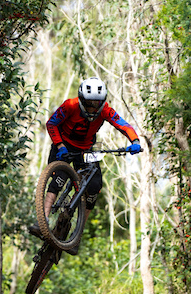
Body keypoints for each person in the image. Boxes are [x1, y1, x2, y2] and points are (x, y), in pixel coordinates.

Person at [28, 77, 142, 254]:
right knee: (59, 180)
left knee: (94, 188)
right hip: (63, 146)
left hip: (86, 150)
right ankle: (42, 220)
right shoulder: (70, 106)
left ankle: (76, 237)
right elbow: (51, 123)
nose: (92, 108)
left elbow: (123, 124)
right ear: (81, 98)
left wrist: (134, 140)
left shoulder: (105, 111)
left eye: (97, 104)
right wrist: (60, 145)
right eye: (89, 103)